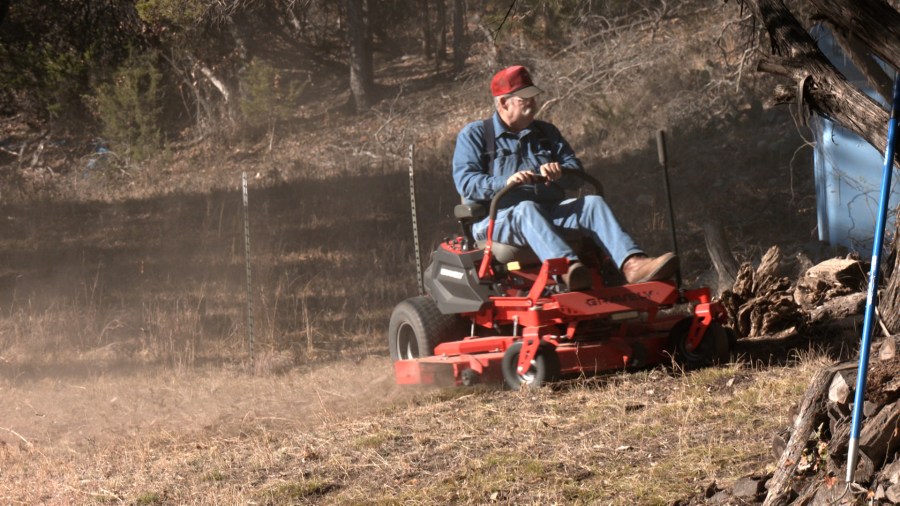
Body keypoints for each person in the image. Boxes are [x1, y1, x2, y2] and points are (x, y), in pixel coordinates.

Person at [451, 65, 678, 291]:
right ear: (503, 103)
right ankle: (568, 269)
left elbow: (576, 172)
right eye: (524, 98)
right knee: (526, 209)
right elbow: (466, 183)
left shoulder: (546, 133)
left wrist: (560, 172)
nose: (532, 102)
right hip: (497, 219)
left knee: (592, 203)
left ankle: (632, 264)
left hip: (550, 211)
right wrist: (508, 182)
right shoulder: (476, 135)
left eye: (533, 97)